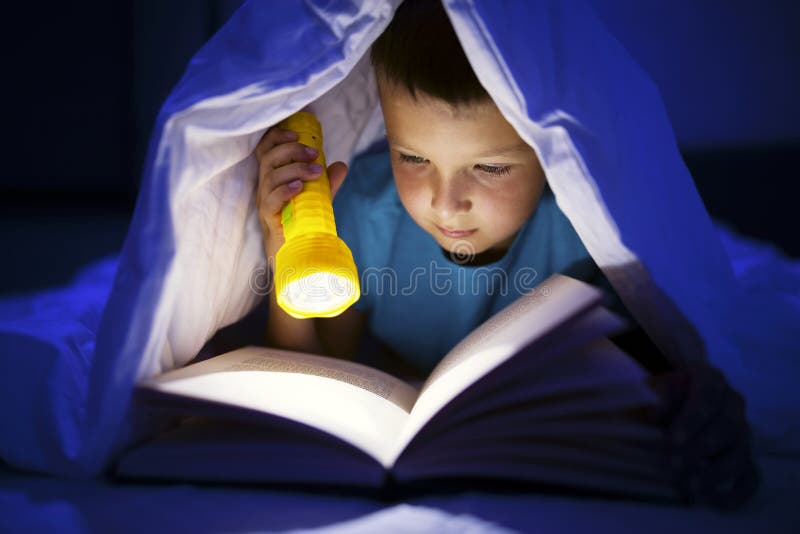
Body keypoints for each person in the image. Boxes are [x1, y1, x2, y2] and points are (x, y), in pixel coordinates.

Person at [254, 0, 757, 508]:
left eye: (490, 168)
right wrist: (285, 252)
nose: (445, 204)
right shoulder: (364, 210)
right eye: (412, 157)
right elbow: (320, 370)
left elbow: (647, 367)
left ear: (547, 152)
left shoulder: (590, 232)